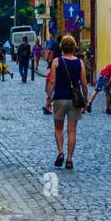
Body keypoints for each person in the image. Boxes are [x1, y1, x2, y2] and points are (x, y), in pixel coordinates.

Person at [45, 34, 87, 170]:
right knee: (72, 131)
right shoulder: (79, 62)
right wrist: (85, 100)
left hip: (59, 99)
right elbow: (84, 84)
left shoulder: (56, 62)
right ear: (74, 47)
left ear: (62, 47)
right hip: (74, 101)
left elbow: (52, 81)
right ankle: (69, 159)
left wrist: (48, 97)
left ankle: (60, 152)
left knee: (58, 128)